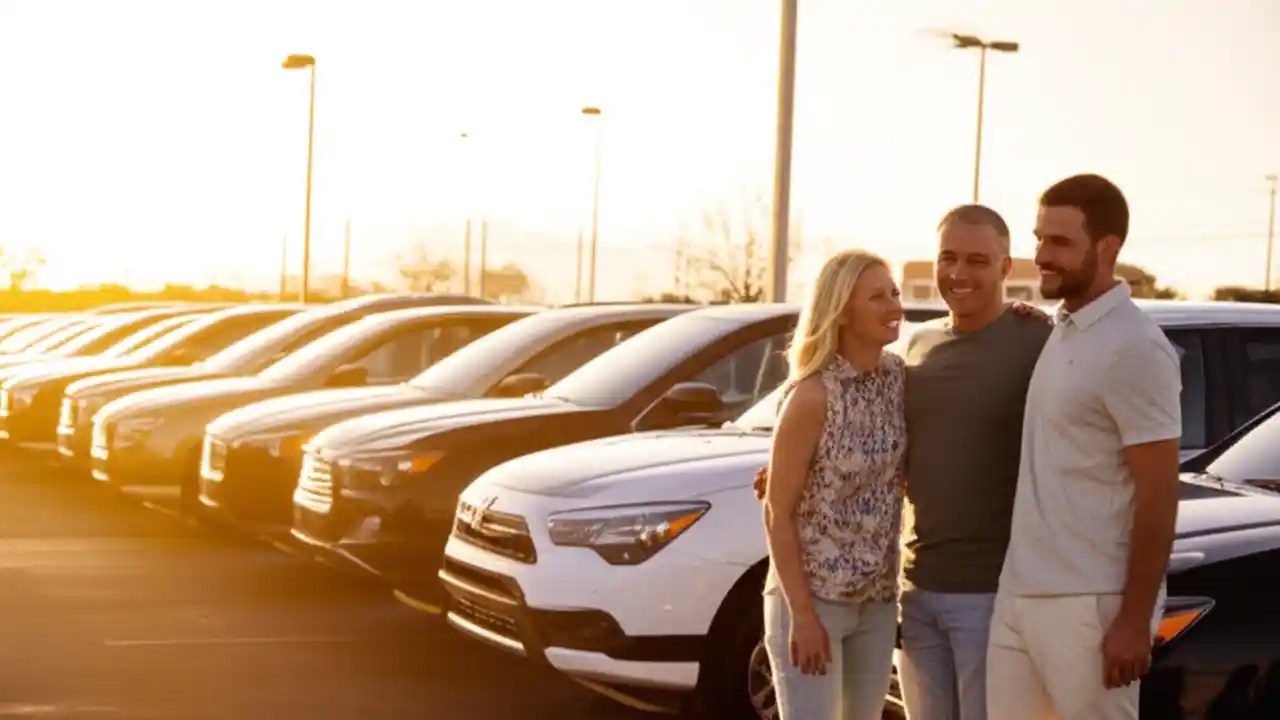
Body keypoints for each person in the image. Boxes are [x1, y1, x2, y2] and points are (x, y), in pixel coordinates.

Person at [987, 174, 1181, 719]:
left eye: (1060, 243)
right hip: (1019, 592)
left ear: (1108, 248)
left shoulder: (1136, 345)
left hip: (1089, 606)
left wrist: (1133, 619)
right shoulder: (1065, 328)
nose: (1041, 255)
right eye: (1040, 238)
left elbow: (1160, 492)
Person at [896, 205, 1052, 720]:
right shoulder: (916, 347)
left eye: (977, 261)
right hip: (914, 591)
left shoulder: (1040, 341)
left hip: (991, 594)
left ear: (1007, 268)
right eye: (948, 258)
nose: (958, 274)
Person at [761, 248, 907, 720]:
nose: (893, 306)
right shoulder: (811, 394)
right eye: (876, 298)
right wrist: (802, 615)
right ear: (842, 310)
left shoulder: (898, 379)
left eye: (895, 293)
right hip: (814, 600)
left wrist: (1022, 315)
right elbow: (777, 512)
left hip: (877, 601)